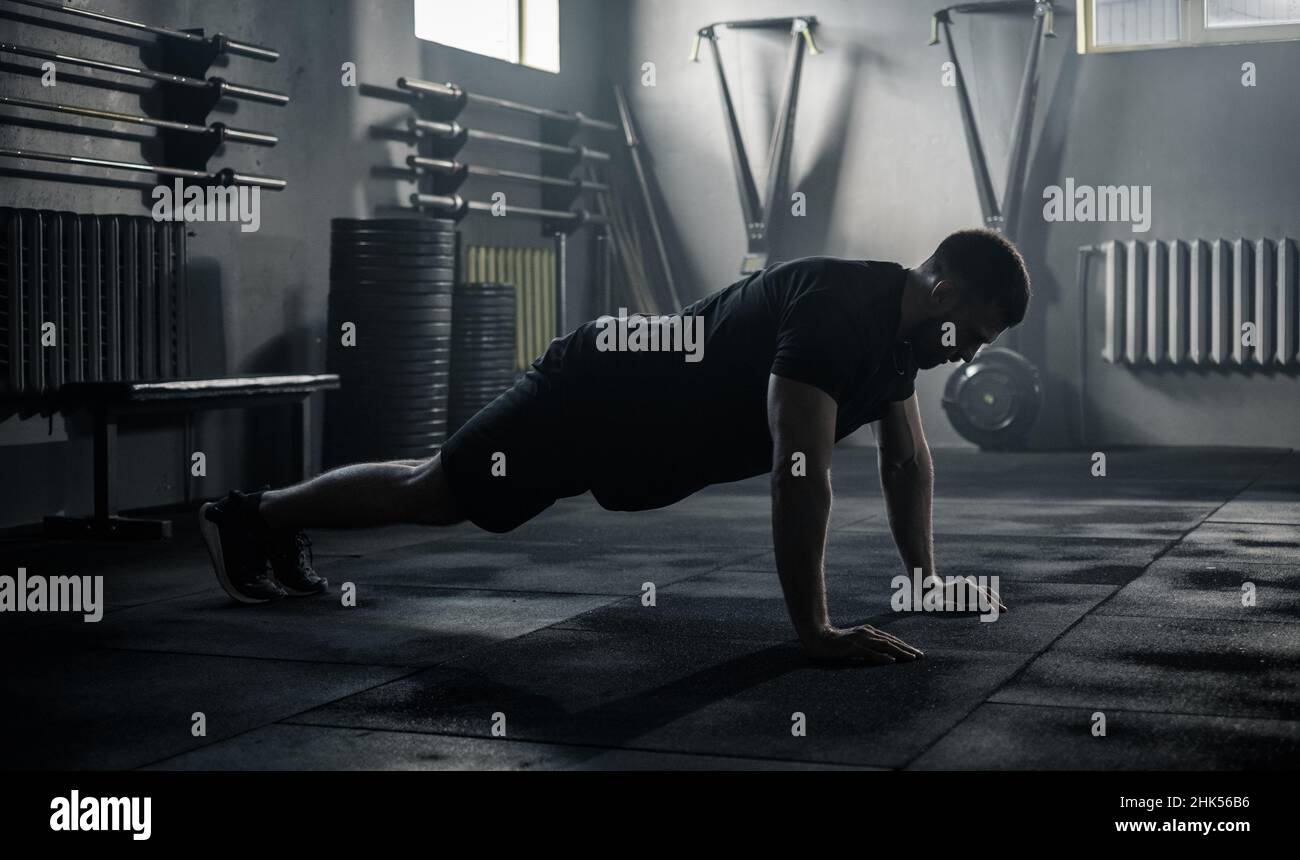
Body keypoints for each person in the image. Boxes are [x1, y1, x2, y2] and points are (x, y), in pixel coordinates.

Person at [201, 228, 1028, 663]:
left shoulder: (899, 345)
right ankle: (251, 516)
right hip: (596, 394)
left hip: (641, 440)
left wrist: (923, 579)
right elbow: (798, 470)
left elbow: (907, 460)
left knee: (448, 498)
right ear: (945, 291)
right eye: (973, 334)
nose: (970, 354)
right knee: (436, 493)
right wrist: (813, 631)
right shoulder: (839, 311)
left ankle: (266, 520)